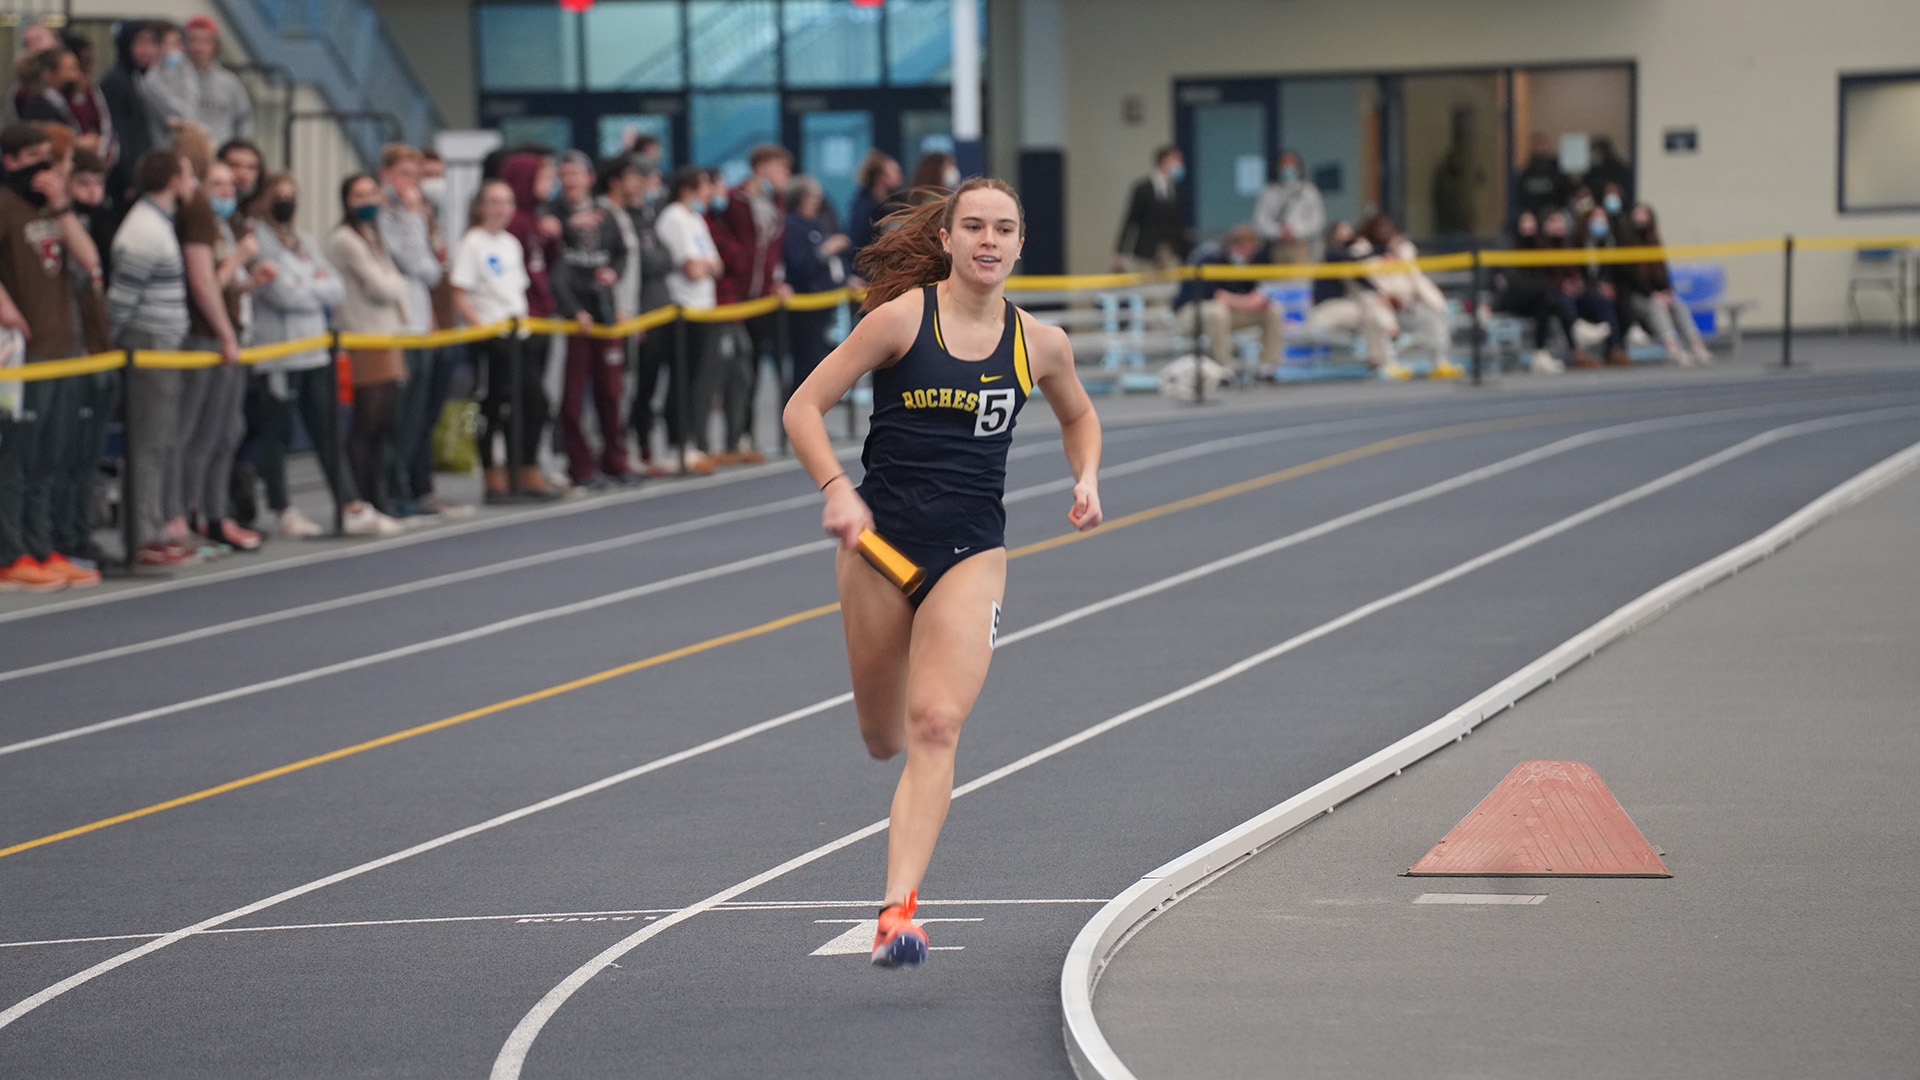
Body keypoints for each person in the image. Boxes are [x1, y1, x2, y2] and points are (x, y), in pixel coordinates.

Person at [781, 177, 1103, 967]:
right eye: (975, 228)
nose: (989, 241)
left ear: (1021, 245)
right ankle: (895, 861)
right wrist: (837, 494)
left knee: (936, 724)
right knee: (884, 737)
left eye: (1004, 228)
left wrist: (1085, 476)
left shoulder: (1040, 342)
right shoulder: (900, 321)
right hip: (878, 550)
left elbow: (1080, 414)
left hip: (971, 552)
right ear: (950, 240)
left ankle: (898, 912)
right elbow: (801, 407)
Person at [248, 171, 395, 537]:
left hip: (315, 350)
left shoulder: (304, 240)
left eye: (291, 193)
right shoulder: (255, 240)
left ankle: (349, 503)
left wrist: (306, 285)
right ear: (264, 198)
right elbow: (281, 293)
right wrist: (308, 286)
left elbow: (334, 287)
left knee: (328, 429)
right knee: (276, 433)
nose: (286, 200)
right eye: (278, 194)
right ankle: (283, 509)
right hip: (279, 353)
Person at [0, 122, 106, 589]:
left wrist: (61, 205)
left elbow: (89, 260)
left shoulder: (50, 208)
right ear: (11, 161)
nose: (42, 168)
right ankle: (11, 552)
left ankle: (42, 546)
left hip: (63, 349)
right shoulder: (4, 205)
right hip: (25, 353)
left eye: (48, 158)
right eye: (32, 159)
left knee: (49, 457)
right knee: (17, 459)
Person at [165, 125, 251, 554]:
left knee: (224, 431)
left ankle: (212, 514)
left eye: (231, 185)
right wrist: (224, 332)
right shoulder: (196, 215)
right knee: (192, 434)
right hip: (203, 336)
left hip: (227, 331)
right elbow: (205, 283)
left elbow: (224, 286)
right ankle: (184, 516)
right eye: (217, 181)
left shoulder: (226, 224)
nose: (225, 190)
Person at [106, 148, 194, 564]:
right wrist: (116, 345)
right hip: (148, 345)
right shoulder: (144, 230)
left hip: (164, 344)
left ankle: (153, 527)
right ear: (175, 180)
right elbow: (121, 301)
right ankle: (142, 536)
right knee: (147, 443)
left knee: (159, 442)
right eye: (189, 174)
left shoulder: (160, 224)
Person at [373, 144, 458, 517]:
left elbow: (432, 270)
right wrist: (411, 218)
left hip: (421, 323)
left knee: (418, 416)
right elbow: (410, 261)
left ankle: (408, 484)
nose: (412, 184)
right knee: (397, 414)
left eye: (416, 176)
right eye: (405, 174)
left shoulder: (418, 214)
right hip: (396, 326)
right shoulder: (384, 214)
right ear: (386, 174)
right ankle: (389, 487)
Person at [326, 173, 411, 520]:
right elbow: (383, 287)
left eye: (371, 193)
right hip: (362, 337)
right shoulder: (345, 240)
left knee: (383, 426)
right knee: (366, 423)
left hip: (386, 334)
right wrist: (395, 283)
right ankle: (360, 499)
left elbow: (393, 282)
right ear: (347, 200)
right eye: (359, 195)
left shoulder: (373, 236)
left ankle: (378, 496)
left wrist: (394, 283)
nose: (367, 201)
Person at [544, 149, 630, 489]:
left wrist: (614, 274)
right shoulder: (551, 216)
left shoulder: (605, 215)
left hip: (603, 311)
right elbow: (552, 268)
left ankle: (615, 461)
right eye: (563, 175)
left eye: (576, 174)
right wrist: (570, 308)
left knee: (610, 391)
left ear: (589, 178)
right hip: (571, 317)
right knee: (572, 396)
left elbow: (622, 252)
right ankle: (580, 467)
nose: (570, 181)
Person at [451, 178, 540, 504]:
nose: (502, 209)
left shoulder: (511, 243)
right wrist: (482, 328)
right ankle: (494, 477)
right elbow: (459, 293)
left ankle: (526, 468)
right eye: (495, 201)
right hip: (491, 337)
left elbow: (517, 289)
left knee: (534, 403)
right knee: (494, 406)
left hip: (519, 333)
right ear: (481, 207)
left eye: (507, 202)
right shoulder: (472, 243)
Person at [708, 143, 791, 465]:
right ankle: (732, 435)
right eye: (780, 168)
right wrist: (737, 262)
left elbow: (774, 249)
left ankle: (746, 436)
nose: (785, 175)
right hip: (736, 295)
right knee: (735, 369)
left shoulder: (776, 202)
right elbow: (719, 235)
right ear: (762, 168)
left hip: (764, 297)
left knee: (755, 368)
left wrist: (776, 280)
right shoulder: (733, 199)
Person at [607, 156, 678, 474]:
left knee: (652, 386)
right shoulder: (614, 217)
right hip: (633, 313)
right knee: (631, 388)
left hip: (657, 310)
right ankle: (629, 450)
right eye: (635, 177)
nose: (641, 184)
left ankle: (648, 448)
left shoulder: (643, 215)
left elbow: (665, 256)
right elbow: (648, 261)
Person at [655, 164, 728, 475]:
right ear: (686, 189)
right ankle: (677, 444)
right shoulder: (674, 217)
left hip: (704, 308)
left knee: (700, 381)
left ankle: (694, 442)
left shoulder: (696, 218)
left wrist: (707, 265)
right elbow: (693, 269)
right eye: (703, 186)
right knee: (682, 380)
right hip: (682, 309)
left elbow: (717, 265)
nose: (709, 193)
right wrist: (706, 265)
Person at [496, 149, 559, 498]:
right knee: (530, 401)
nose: (549, 185)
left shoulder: (535, 221)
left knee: (536, 401)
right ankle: (520, 468)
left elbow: (542, 268)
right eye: (543, 178)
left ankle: (529, 466)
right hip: (518, 324)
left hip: (540, 321)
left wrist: (553, 238)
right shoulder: (516, 224)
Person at [1354, 213, 1460, 378]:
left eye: (1387, 227)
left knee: (1432, 314)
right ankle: (1388, 365)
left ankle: (1440, 362)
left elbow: (1414, 277)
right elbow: (1371, 280)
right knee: (1378, 311)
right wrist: (1388, 296)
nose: (1384, 231)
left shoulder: (1401, 249)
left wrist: (1399, 251)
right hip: (1385, 304)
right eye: (1379, 227)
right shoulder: (1363, 251)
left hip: (1408, 304)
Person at [1173, 223, 1281, 377]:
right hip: (1190, 313)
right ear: (1235, 245)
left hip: (1227, 313)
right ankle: (1225, 368)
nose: (1252, 253)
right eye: (1249, 249)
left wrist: (1250, 301)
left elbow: (1256, 294)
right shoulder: (1210, 257)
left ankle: (1267, 367)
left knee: (1272, 310)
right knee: (1218, 310)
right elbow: (1219, 297)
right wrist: (1246, 302)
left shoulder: (1246, 263)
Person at [1615, 202, 1711, 367]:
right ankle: (1672, 348)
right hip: (1636, 297)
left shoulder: (1655, 244)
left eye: (1644, 215)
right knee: (1656, 305)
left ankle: (1697, 345)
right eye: (1638, 215)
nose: (1641, 219)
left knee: (1678, 303)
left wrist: (1668, 292)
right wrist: (1654, 294)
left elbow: (1663, 275)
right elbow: (1632, 278)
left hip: (1656, 294)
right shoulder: (1626, 244)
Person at [781, 173, 849, 398]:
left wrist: (845, 279)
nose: (815, 203)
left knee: (819, 357)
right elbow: (800, 263)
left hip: (824, 300)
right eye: (810, 199)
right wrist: (825, 250)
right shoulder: (792, 226)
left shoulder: (813, 225)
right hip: (805, 302)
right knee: (806, 361)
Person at [1303, 220, 1395, 370]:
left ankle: (1382, 359)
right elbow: (1356, 266)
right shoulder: (1332, 253)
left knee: (1372, 310)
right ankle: (1381, 361)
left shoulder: (1346, 253)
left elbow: (1362, 277)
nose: (1349, 231)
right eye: (1344, 228)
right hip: (1326, 310)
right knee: (1371, 313)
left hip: (1340, 307)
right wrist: (1377, 251)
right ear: (1335, 234)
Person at [1539, 209, 1624, 368]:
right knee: (1564, 303)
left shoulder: (1568, 245)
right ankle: (1577, 352)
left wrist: (1577, 283)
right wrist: (1562, 285)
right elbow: (1542, 277)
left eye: (1560, 221)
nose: (1558, 225)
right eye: (1553, 221)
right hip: (1554, 294)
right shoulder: (1540, 247)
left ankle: (1614, 348)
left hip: (1575, 291)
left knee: (1600, 300)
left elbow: (1576, 271)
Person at [1490, 211, 1572, 374]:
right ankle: (1574, 332)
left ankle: (1540, 355)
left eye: (1531, 221)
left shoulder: (1538, 244)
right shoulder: (1507, 244)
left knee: (1547, 301)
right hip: (1511, 299)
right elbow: (1512, 282)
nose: (1529, 225)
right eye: (1524, 221)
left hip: (1535, 299)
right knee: (1548, 293)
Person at [99, 21, 160, 201]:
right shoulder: (116, 82)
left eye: (151, 43)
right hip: (123, 185)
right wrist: (131, 180)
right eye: (140, 43)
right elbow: (120, 135)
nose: (147, 50)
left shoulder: (135, 78)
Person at [177, 16, 253, 147]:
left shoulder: (229, 82)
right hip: (186, 151)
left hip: (222, 153)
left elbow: (244, 120)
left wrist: (238, 149)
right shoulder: (172, 80)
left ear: (215, 44)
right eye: (193, 40)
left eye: (205, 41)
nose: (199, 47)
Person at [1112, 145, 1190, 272]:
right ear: (1165, 160)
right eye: (1177, 160)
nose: (1180, 164)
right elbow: (1131, 219)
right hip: (1147, 250)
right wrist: (1120, 250)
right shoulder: (1143, 188)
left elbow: (1178, 223)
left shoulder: (1176, 190)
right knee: (1147, 287)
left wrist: (1187, 252)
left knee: (1170, 287)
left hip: (1171, 250)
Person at [1253, 150, 1324, 264]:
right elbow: (1261, 221)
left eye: (1291, 163)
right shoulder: (1269, 192)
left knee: (1300, 280)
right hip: (1275, 247)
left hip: (1302, 246)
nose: (1287, 167)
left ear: (1299, 166)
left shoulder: (1309, 191)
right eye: (1284, 164)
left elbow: (1317, 221)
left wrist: (1294, 231)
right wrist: (1279, 232)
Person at [846, 149, 901, 272]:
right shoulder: (864, 208)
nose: (899, 175)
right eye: (894, 171)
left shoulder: (893, 203)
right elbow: (859, 242)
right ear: (880, 177)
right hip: (869, 269)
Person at [1515, 133, 1570, 219]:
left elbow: (1564, 193)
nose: (1539, 149)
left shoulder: (1557, 171)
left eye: (1542, 145)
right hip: (1532, 215)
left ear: (1547, 147)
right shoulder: (1526, 172)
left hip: (1553, 214)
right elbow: (1520, 195)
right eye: (1536, 145)